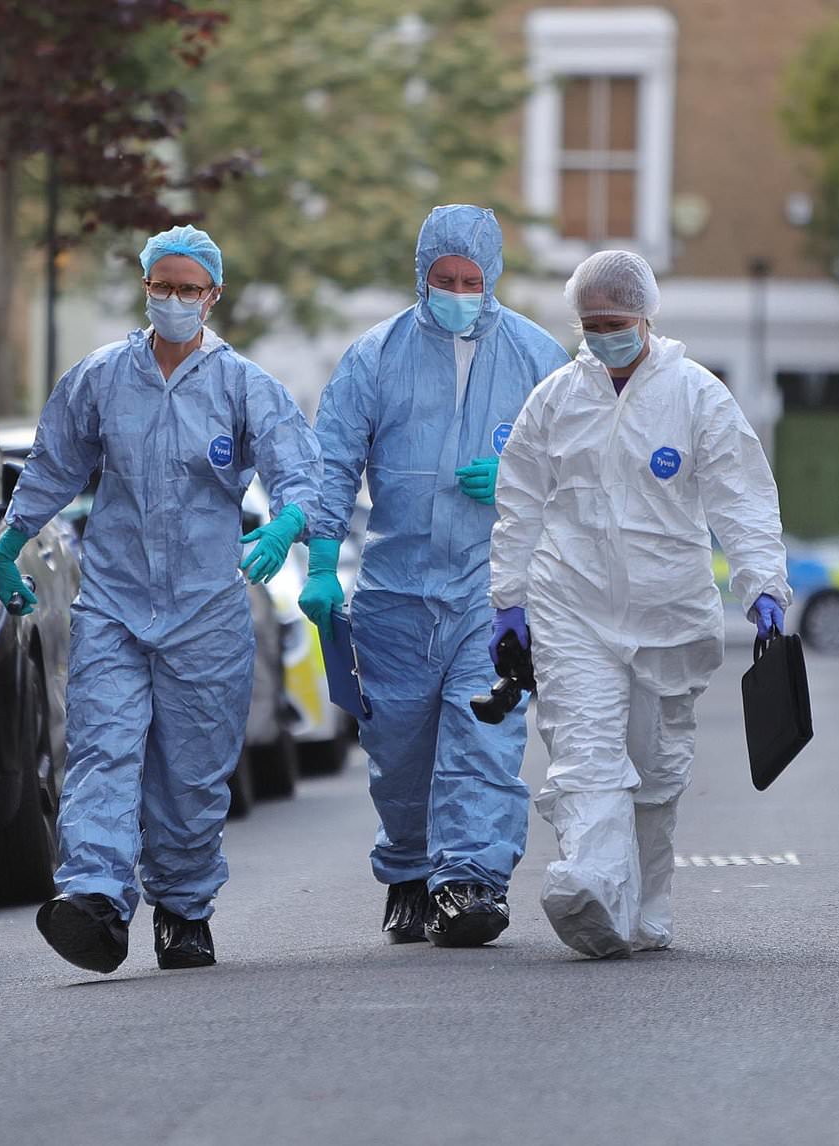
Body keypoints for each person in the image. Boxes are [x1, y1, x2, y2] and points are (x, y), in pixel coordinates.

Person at [0, 224, 320, 973]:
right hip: (113, 600)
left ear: (213, 295)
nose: (175, 300)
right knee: (102, 749)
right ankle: (97, 900)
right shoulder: (101, 378)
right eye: (162, 286)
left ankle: (182, 906)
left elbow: (302, 476)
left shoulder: (245, 386)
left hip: (207, 610)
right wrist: (12, 544)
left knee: (189, 771)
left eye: (189, 289)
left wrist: (284, 528)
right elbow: (51, 466)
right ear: (145, 289)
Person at [488, 250, 789, 958]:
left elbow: (740, 497)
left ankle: (645, 903)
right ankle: (589, 884)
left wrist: (763, 586)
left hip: (668, 611)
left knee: (654, 771)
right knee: (585, 752)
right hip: (572, 604)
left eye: (616, 322)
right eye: (591, 324)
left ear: (646, 316)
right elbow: (520, 502)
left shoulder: (696, 395)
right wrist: (508, 597)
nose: (603, 336)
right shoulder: (557, 398)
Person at [304, 204, 570, 947]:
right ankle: (409, 872)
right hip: (394, 592)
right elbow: (332, 463)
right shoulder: (375, 356)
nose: (458, 290)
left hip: (496, 590)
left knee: (482, 737)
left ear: (494, 278)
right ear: (421, 276)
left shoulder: (539, 357)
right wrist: (324, 562)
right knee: (399, 756)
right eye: (443, 278)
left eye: (471, 279)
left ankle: (470, 882)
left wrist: (523, 481)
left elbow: (582, 467)